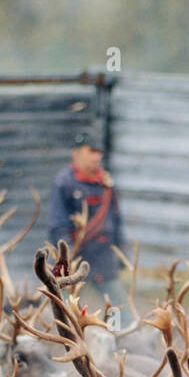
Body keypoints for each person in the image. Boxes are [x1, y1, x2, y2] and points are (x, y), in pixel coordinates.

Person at [47, 132, 126, 308]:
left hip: (103, 259)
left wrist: (121, 252)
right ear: (76, 153)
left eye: (99, 152)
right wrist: (66, 259)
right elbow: (57, 225)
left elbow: (116, 220)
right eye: (91, 151)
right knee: (67, 311)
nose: (97, 156)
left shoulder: (106, 183)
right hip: (75, 259)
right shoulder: (63, 183)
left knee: (119, 311)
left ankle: (119, 335)